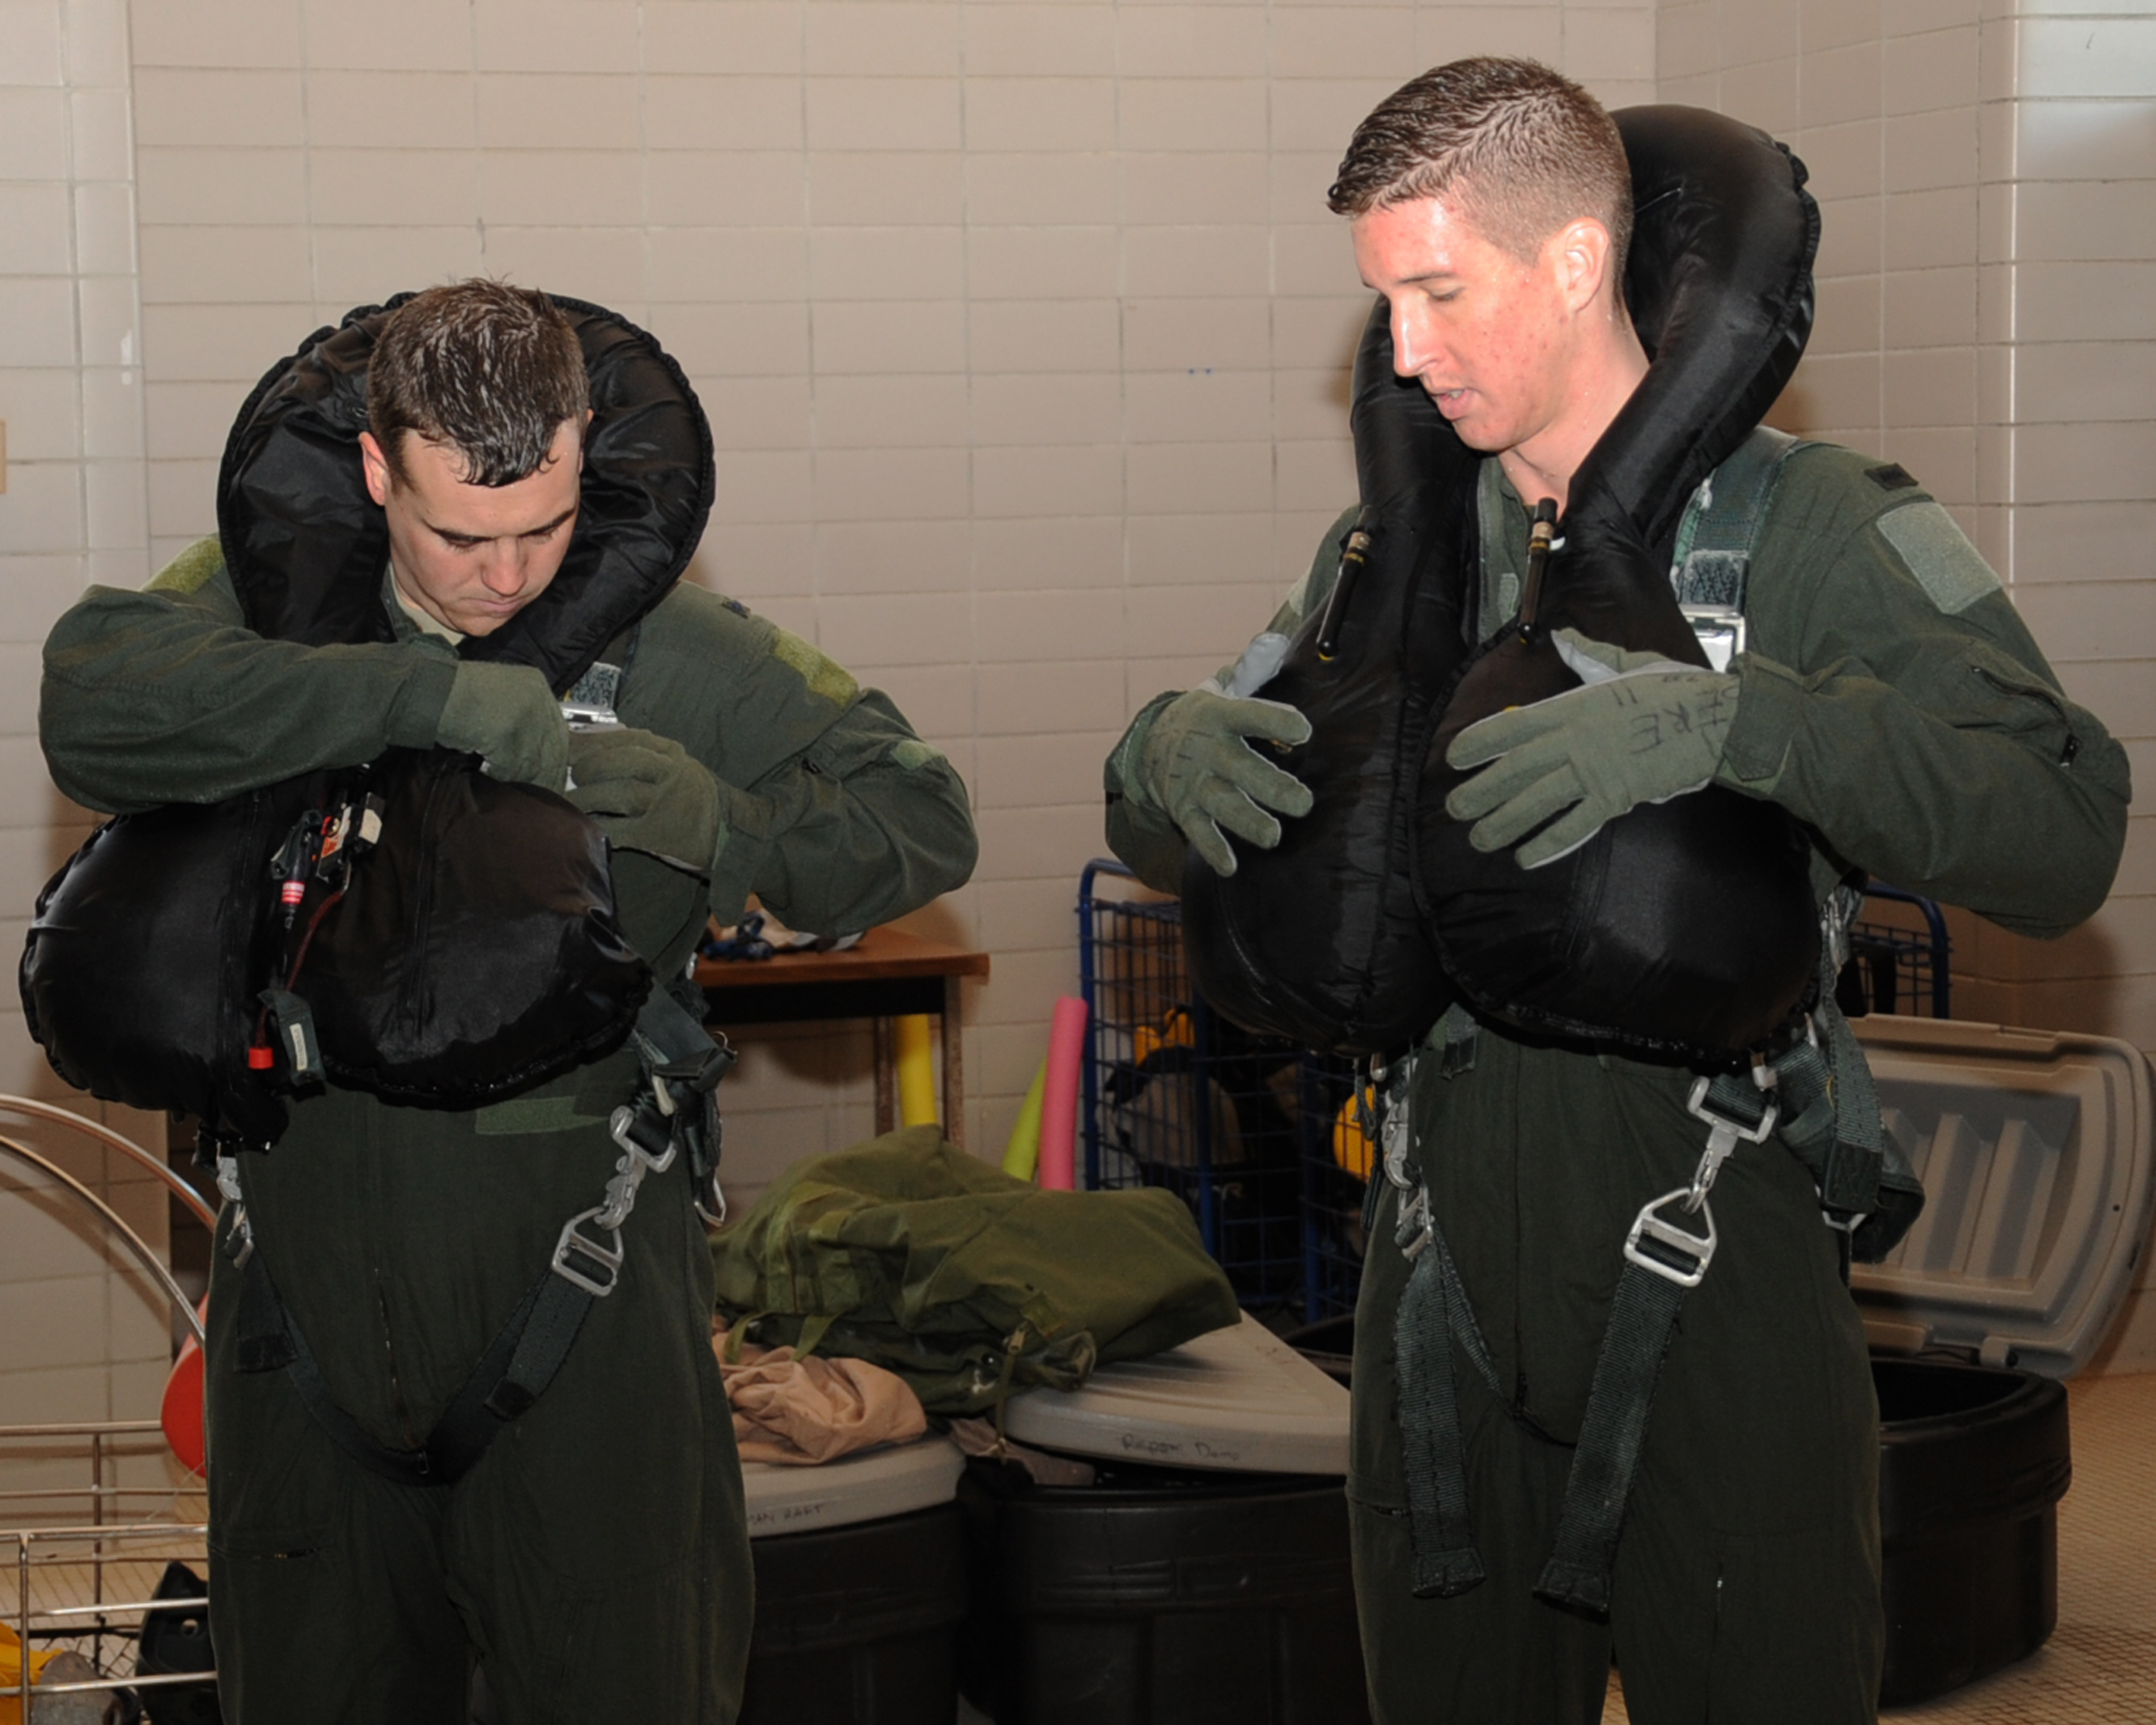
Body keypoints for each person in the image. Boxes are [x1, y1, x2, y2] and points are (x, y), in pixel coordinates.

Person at [1103, 60, 2128, 1725]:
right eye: (1387, 306)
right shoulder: (1393, 557)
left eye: (1441, 293)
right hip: (1437, 1270)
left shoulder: (1811, 532)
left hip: (1712, 1234)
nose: (1406, 353)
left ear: (1577, 261)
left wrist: (1749, 724)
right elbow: (1219, 819)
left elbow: (2066, 823)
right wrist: (1159, 761)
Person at [40, 281, 977, 1723]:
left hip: (581, 1300)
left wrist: (721, 820)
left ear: (584, 453)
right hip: (298, 1299)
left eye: (544, 526)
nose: (506, 577)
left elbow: (922, 823)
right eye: (459, 536)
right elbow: (91, 702)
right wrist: (406, 703)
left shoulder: (676, 647)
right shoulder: (270, 606)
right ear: (375, 470)